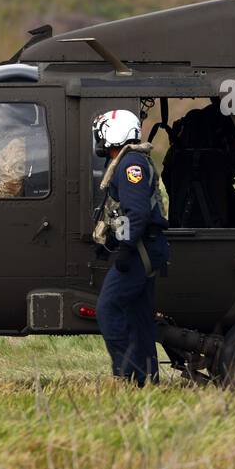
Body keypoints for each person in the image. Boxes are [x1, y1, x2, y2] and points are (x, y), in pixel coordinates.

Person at [91, 109, 169, 385]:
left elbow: (136, 213)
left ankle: (128, 373)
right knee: (139, 316)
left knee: (108, 308)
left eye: (101, 133)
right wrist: (112, 241)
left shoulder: (130, 165)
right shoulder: (130, 162)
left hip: (141, 249)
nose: (98, 139)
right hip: (147, 246)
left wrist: (125, 247)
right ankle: (147, 379)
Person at [160, 98, 235, 227]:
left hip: (181, 222)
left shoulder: (177, 156)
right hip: (219, 223)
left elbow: (166, 176)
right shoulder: (218, 158)